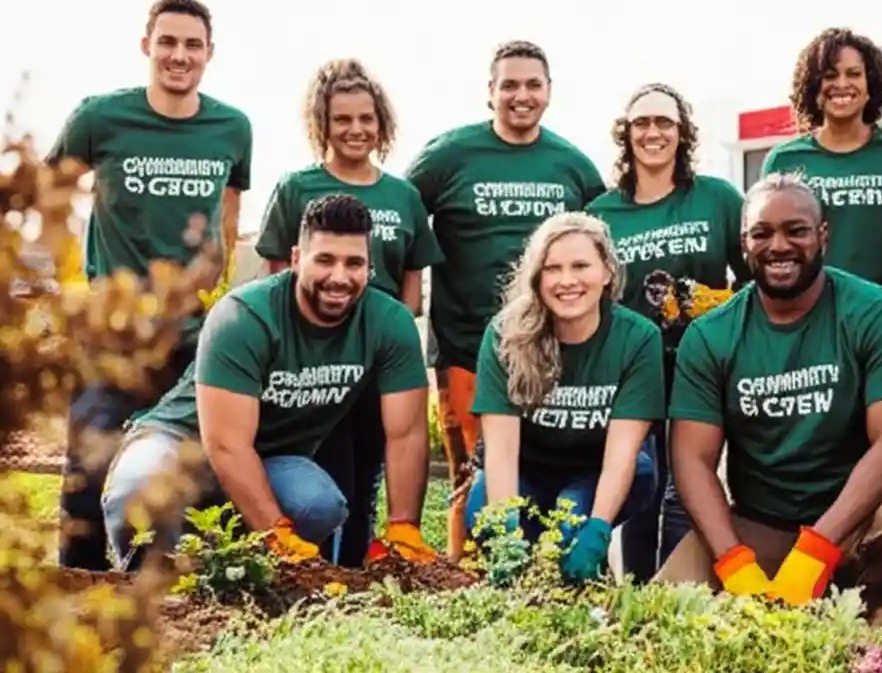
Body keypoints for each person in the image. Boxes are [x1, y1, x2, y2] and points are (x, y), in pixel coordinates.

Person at [653, 172, 882, 623]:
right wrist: (733, 561)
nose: (779, 246)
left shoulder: (878, 314)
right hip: (760, 523)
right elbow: (692, 460)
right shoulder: (711, 335)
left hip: (860, 514)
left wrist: (819, 546)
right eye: (762, 233)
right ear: (744, 243)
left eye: (796, 230)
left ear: (822, 235)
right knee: (664, 615)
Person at [99, 194, 435, 568]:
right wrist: (276, 532)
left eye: (354, 263)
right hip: (183, 441)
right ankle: (154, 587)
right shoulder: (245, 316)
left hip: (270, 453)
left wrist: (404, 526)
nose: (339, 277)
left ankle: (251, 579)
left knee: (319, 504)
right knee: (138, 492)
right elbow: (226, 445)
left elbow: (407, 433)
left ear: (369, 267)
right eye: (324, 260)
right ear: (295, 259)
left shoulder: (389, 323)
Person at [45, 0, 253, 571]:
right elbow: (51, 201)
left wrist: (214, 294)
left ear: (209, 53)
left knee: (200, 456)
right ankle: (78, 581)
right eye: (167, 42)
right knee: (88, 464)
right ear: (146, 46)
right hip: (114, 335)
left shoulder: (232, 128)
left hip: (192, 337)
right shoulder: (100, 118)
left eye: (192, 45)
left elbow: (228, 215)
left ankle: (199, 572)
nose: (178, 55)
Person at [404, 40, 607, 560]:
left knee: (535, 467)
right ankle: (463, 578)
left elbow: (604, 243)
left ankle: (541, 568)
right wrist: (405, 294)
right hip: (467, 345)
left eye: (532, 84)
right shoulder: (448, 156)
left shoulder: (573, 167)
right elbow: (398, 217)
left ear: (549, 92)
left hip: (554, 350)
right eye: (509, 85)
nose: (522, 95)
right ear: (490, 92)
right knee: (471, 473)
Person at [254, 58, 443, 567]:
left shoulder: (402, 195)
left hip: (378, 361)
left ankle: (358, 568)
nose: (356, 129)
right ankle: (308, 568)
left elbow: (412, 290)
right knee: (325, 474)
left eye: (366, 118)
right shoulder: (297, 188)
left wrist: (385, 348)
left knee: (368, 474)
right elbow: (276, 280)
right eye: (342, 119)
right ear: (323, 124)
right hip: (315, 364)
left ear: (381, 122)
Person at [586, 82, 750, 581]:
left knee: (686, 488)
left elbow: (755, 281)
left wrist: (716, 303)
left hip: (702, 367)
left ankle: (678, 597)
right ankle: (640, 596)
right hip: (635, 371)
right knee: (643, 485)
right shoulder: (601, 213)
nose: (653, 132)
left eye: (665, 123)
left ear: (682, 134)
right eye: (642, 123)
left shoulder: (717, 198)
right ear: (626, 134)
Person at [463, 212, 664, 585]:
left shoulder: (638, 339)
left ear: (607, 272)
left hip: (597, 468)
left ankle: (587, 589)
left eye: (580, 266)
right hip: (528, 468)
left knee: (572, 523)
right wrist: (505, 534)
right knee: (483, 515)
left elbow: (622, 452)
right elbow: (501, 451)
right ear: (537, 278)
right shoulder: (506, 336)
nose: (567, 281)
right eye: (552, 268)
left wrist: (598, 529)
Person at [760, 27, 882, 316]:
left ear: (870, 84)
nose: (842, 84)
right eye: (830, 75)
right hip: (813, 316)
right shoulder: (782, 161)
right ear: (814, 87)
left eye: (854, 74)